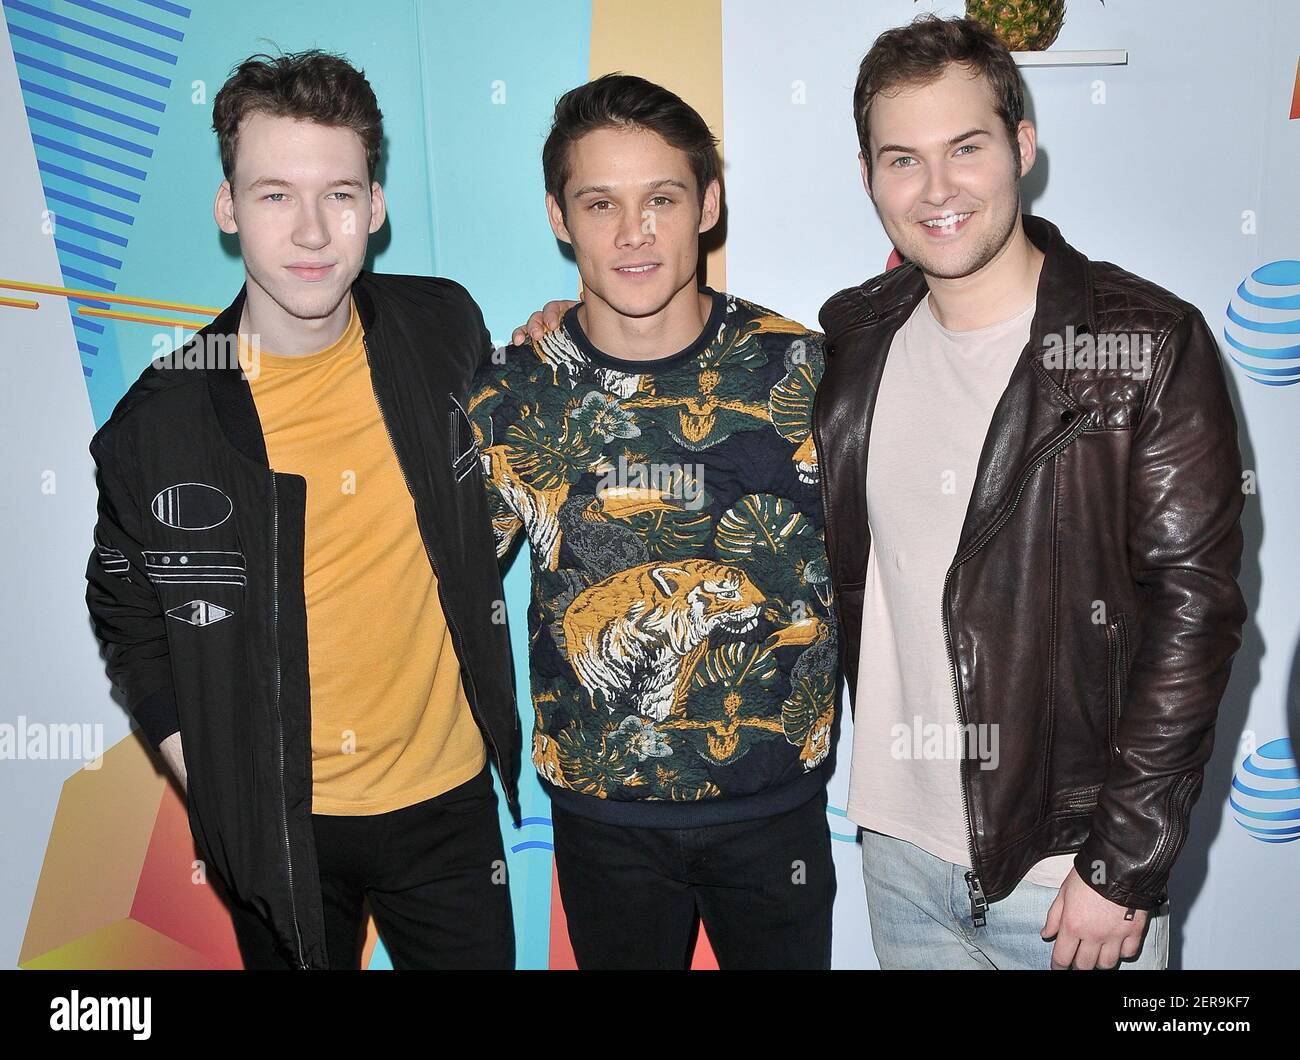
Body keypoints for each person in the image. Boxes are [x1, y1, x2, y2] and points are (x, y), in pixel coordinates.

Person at [813, 15, 1246, 969]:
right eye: (902, 159)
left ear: (1022, 145)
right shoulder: (855, 338)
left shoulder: (1143, 345)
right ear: (867, 175)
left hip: (1067, 882)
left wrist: (1123, 866)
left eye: (966, 148)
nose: (936, 190)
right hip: (897, 854)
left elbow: (1195, 614)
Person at [84, 50, 518, 970]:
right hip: (281, 826)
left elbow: (498, 482)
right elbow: (127, 611)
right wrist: (213, 784)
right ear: (227, 208)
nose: (313, 231)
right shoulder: (160, 423)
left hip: (447, 806)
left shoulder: (443, 327)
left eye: (341, 194)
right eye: (276, 194)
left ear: (378, 206)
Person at [470, 73, 838, 969]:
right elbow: (431, 582)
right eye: (601, 203)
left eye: (662, 199)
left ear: (709, 204)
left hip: (776, 804)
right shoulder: (515, 392)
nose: (633, 233)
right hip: (602, 818)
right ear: (560, 216)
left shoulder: (805, 372)